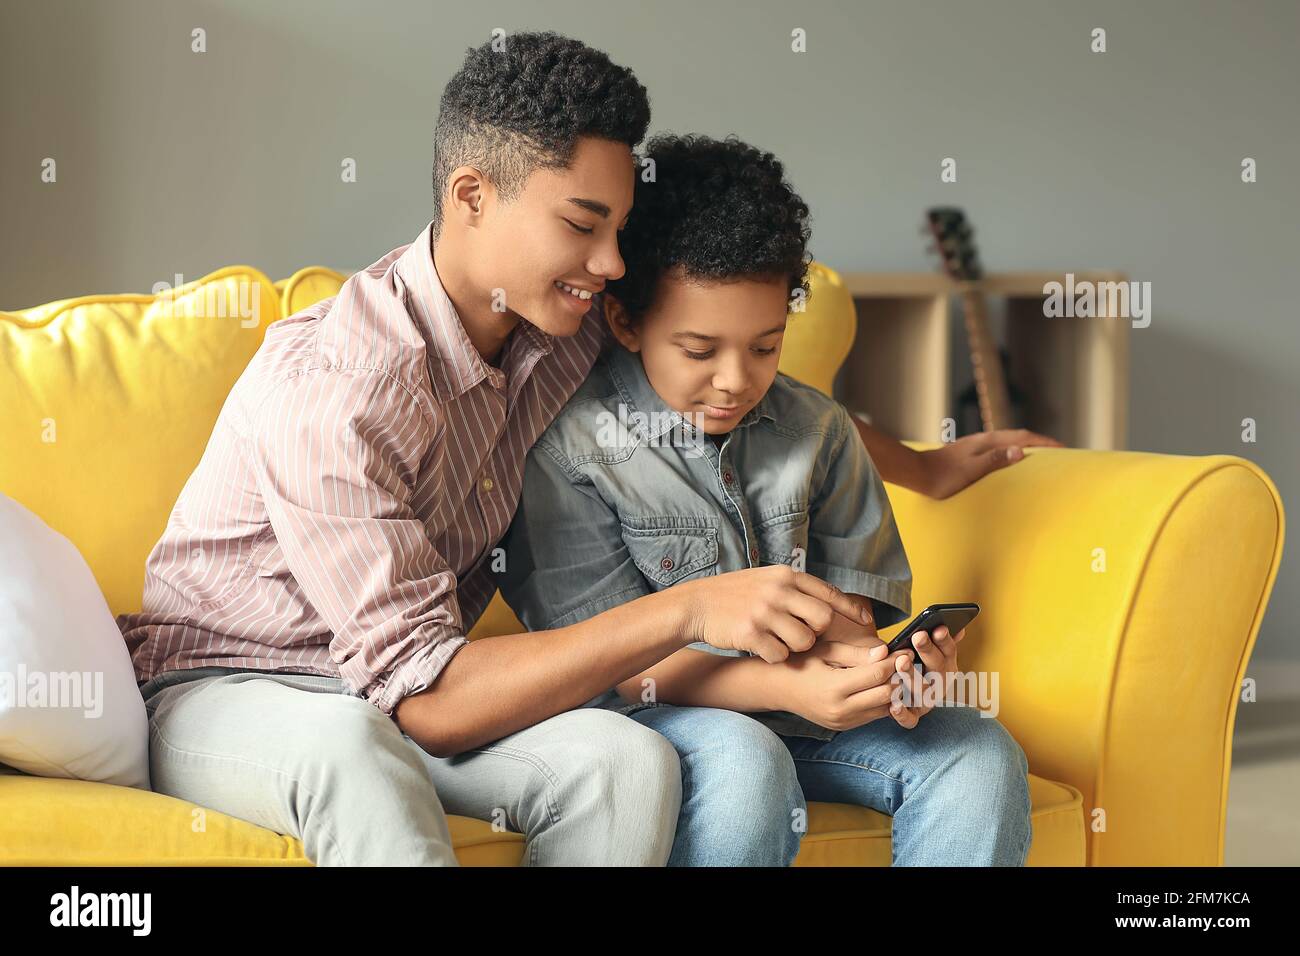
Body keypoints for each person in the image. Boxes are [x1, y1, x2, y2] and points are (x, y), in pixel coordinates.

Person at [497, 133, 1037, 865]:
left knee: (975, 750)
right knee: (746, 756)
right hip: (648, 717)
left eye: (765, 346)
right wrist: (787, 687)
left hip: (802, 711)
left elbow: (853, 614)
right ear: (626, 322)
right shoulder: (569, 447)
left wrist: (886, 676)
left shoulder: (818, 428)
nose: (734, 380)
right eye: (698, 350)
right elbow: (613, 663)